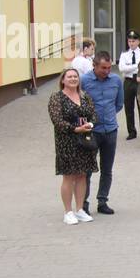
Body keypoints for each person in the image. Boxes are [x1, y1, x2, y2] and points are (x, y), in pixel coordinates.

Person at [47, 67, 97, 226]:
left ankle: (80, 209)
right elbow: (57, 120)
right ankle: (68, 212)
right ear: (63, 80)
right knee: (69, 176)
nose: (73, 79)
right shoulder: (57, 98)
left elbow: (94, 114)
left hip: (85, 141)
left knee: (82, 175)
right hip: (66, 142)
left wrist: (90, 124)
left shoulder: (85, 96)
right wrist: (75, 129)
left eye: (75, 76)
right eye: (69, 77)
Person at [79, 53, 123, 216]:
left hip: (110, 130)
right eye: (103, 68)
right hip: (92, 132)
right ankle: (83, 203)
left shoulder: (116, 80)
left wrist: (109, 116)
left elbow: (119, 104)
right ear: (94, 66)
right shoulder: (84, 81)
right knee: (87, 169)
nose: (107, 71)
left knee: (107, 169)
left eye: (109, 67)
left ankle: (102, 201)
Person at [118, 31, 140, 140]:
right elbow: (122, 68)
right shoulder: (124, 54)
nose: (131, 43)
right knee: (128, 107)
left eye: (133, 41)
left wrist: (130, 67)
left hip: (139, 81)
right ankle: (131, 131)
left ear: (138, 41)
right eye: (129, 41)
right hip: (128, 81)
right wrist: (135, 65)